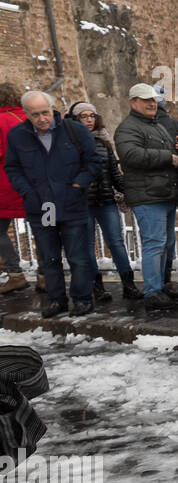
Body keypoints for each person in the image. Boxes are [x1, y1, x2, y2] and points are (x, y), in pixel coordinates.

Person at [3, 90, 101, 317]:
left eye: (45, 112)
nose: (42, 119)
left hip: (72, 203)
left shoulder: (74, 130)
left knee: (77, 255)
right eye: (35, 114)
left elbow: (93, 161)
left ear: (52, 108)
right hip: (41, 207)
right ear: (26, 114)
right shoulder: (17, 135)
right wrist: (27, 191)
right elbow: (12, 168)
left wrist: (78, 185)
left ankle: (82, 298)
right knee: (50, 257)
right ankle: (57, 300)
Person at [115, 83, 178, 313]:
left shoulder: (154, 125)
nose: (151, 103)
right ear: (132, 102)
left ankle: (162, 286)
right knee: (154, 244)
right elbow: (130, 155)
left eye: (153, 100)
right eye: (145, 100)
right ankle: (153, 291)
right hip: (147, 197)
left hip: (162, 193)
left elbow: (166, 150)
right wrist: (168, 155)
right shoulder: (128, 127)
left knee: (165, 244)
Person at [68, 101, 141, 303]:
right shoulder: (70, 143)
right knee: (88, 246)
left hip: (106, 201)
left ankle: (129, 285)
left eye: (92, 115)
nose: (89, 120)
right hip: (83, 203)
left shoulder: (103, 142)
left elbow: (114, 173)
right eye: (84, 116)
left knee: (117, 243)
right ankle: (97, 287)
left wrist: (127, 190)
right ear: (75, 119)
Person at [154, 86, 178, 298]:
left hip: (166, 188)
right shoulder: (171, 123)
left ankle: (160, 284)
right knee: (162, 241)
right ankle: (159, 285)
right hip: (165, 188)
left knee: (163, 240)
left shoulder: (169, 123)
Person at [0, 83, 30, 294]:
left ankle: (15, 274)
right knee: (43, 229)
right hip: (32, 182)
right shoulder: (29, 119)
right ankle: (45, 276)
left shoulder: (1, 120)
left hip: (5, 184)